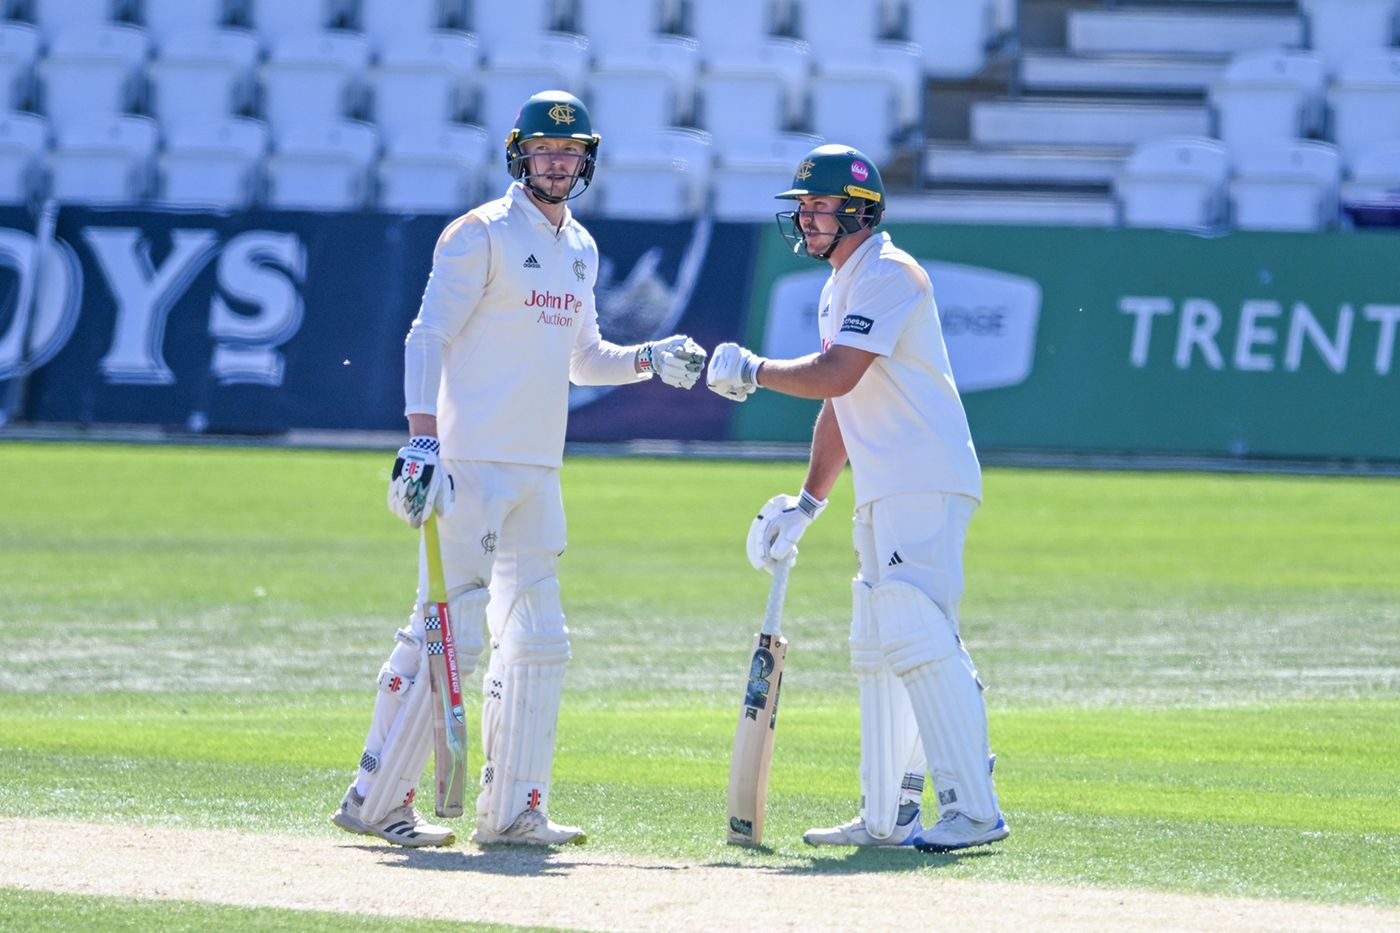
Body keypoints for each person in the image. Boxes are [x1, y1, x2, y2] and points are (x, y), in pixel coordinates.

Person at [332, 90, 706, 848]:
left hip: (539, 466)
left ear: (586, 160)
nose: (558, 163)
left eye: (571, 153)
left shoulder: (581, 247)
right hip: (469, 460)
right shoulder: (480, 234)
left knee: (539, 640)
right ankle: (377, 798)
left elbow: (585, 358)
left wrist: (649, 359)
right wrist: (422, 440)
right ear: (519, 155)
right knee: (450, 630)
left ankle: (512, 810)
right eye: (546, 151)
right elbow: (425, 336)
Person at [705, 144, 1008, 853]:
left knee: (915, 629)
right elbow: (843, 406)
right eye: (802, 206)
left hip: (924, 475)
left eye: (818, 206)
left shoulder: (891, 274)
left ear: (858, 210)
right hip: (882, 483)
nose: (806, 217)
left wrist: (753, 370)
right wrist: (807, 503)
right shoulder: (840, 284)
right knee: (877, 643)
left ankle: (973, 805)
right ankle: (885, 815)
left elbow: (836, 374)